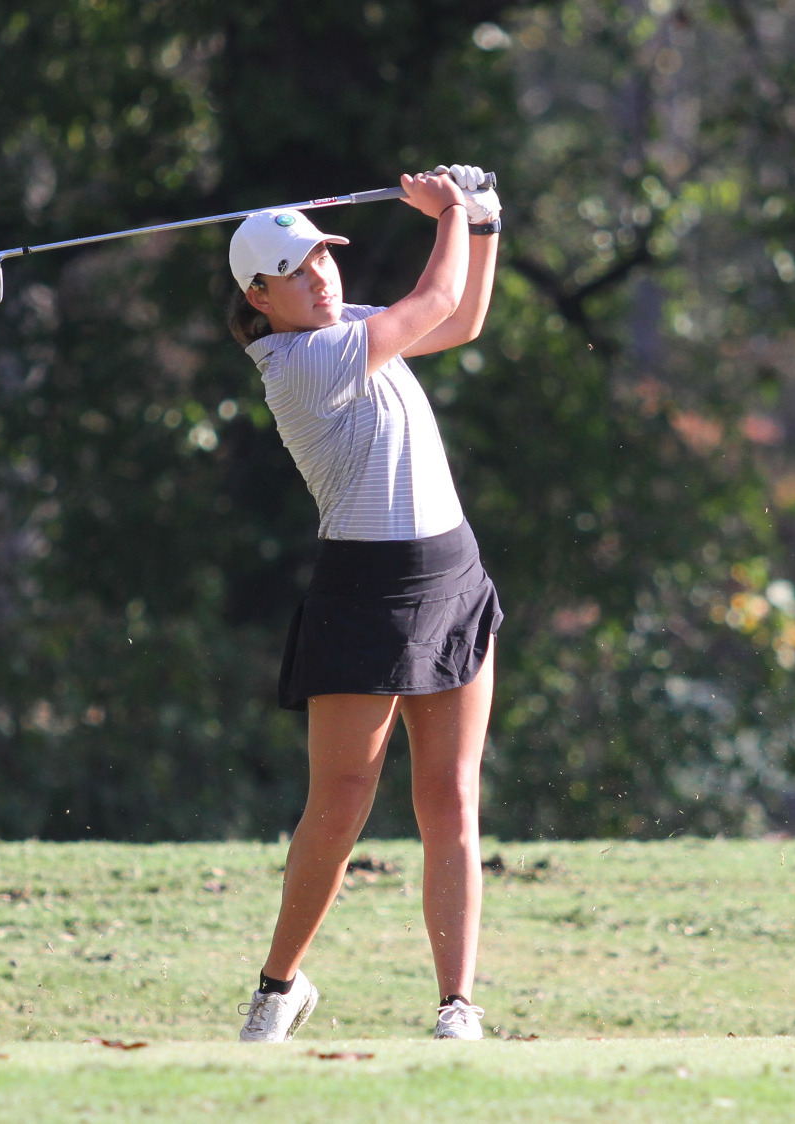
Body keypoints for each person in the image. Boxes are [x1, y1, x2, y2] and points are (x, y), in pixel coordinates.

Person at [226, 165, 504, 1042]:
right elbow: (433, 298)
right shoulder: (299, 361)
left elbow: (460, 319)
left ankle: (457, 1005)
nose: (322, 279)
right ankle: (279, 988)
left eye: (324, 261)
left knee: (450, 800)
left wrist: (484, 223)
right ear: (259, 296)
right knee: (339, 802)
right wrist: (452, 212)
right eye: (299, 272)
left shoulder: (341, 324)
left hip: (451, 575)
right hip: (364, 592)